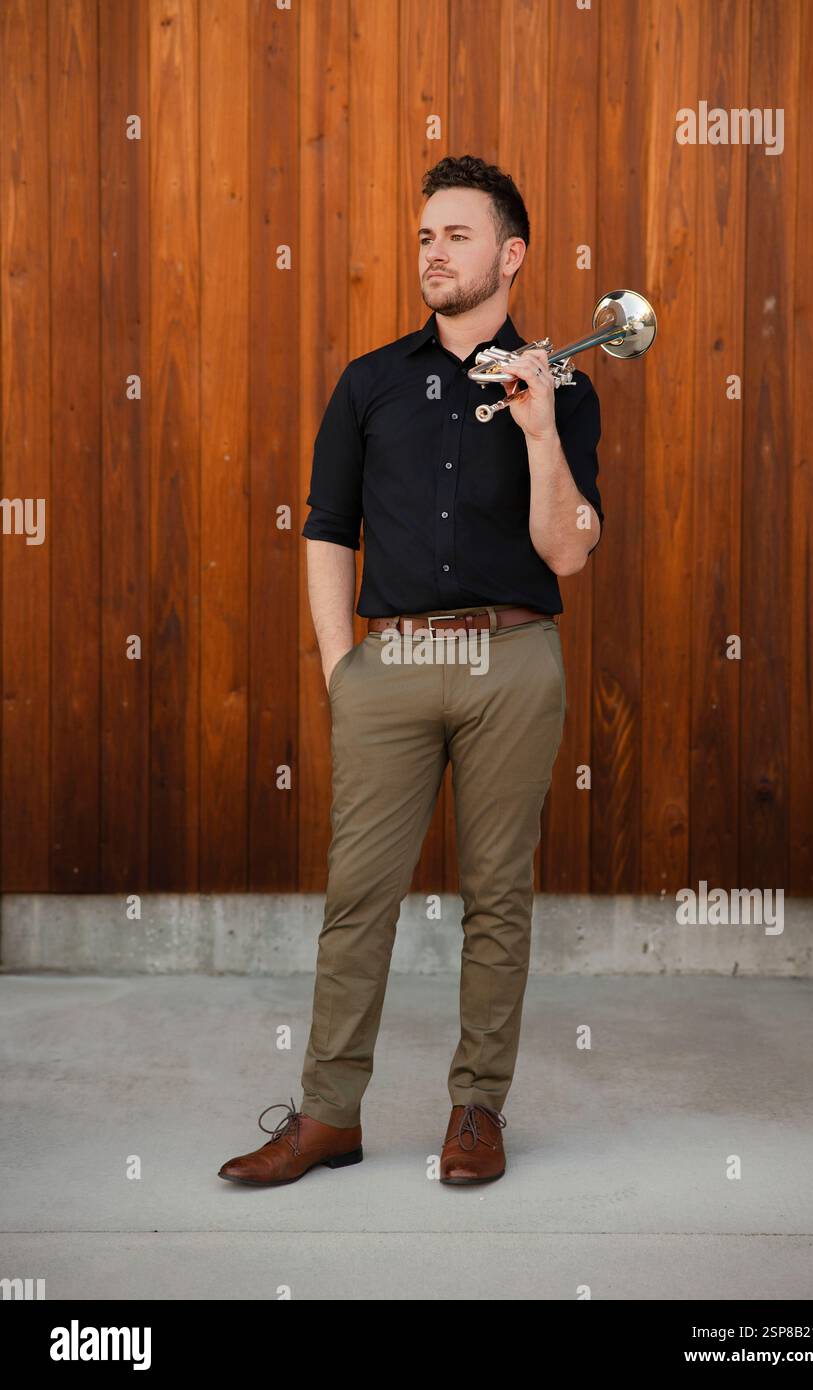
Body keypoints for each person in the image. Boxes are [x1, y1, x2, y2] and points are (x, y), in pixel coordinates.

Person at [218, 154, 603, 1188]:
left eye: (457, 234)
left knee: (497, 897)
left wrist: (534, 428)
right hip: (387, 664)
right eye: (425, 234)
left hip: (512, 658)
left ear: (509, 256)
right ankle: (328, 1115)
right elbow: (326, 529)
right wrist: (343, 665)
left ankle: (475, 1111)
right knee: (358, 898)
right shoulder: (369, 383)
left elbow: (567, 548)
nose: (433, 250)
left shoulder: (563, 385)